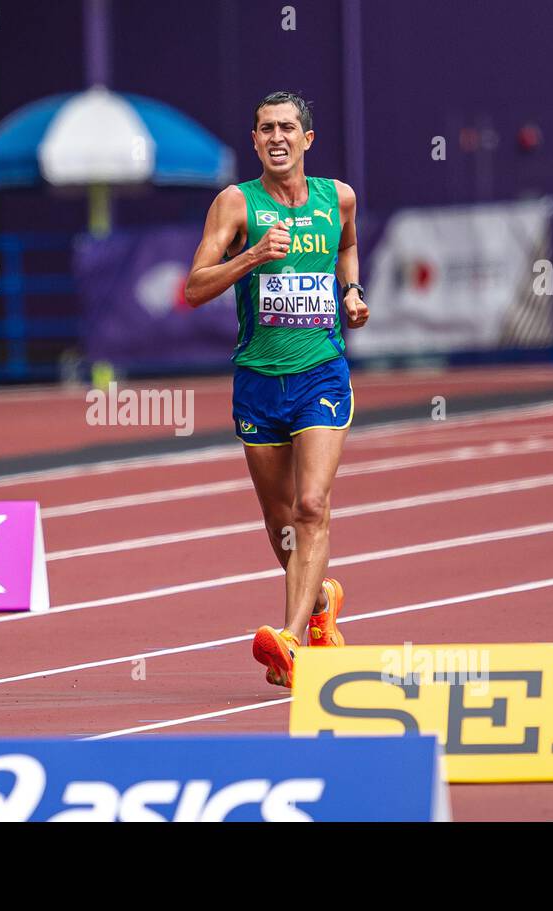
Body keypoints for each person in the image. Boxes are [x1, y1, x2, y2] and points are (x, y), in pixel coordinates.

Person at [184, 91, 370, 688]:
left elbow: (346, 245)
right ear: (255, 140)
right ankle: (320, 608)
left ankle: (289, 640)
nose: (277, 137)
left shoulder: (336, 198)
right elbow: (193, 287)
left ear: (307, 139)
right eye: (266, 129)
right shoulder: (236, 205)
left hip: (322, 373)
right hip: (259, 381)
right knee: (280, 522)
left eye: (287, 127)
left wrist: (351, 293)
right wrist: (254, 256)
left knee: (313, 505)